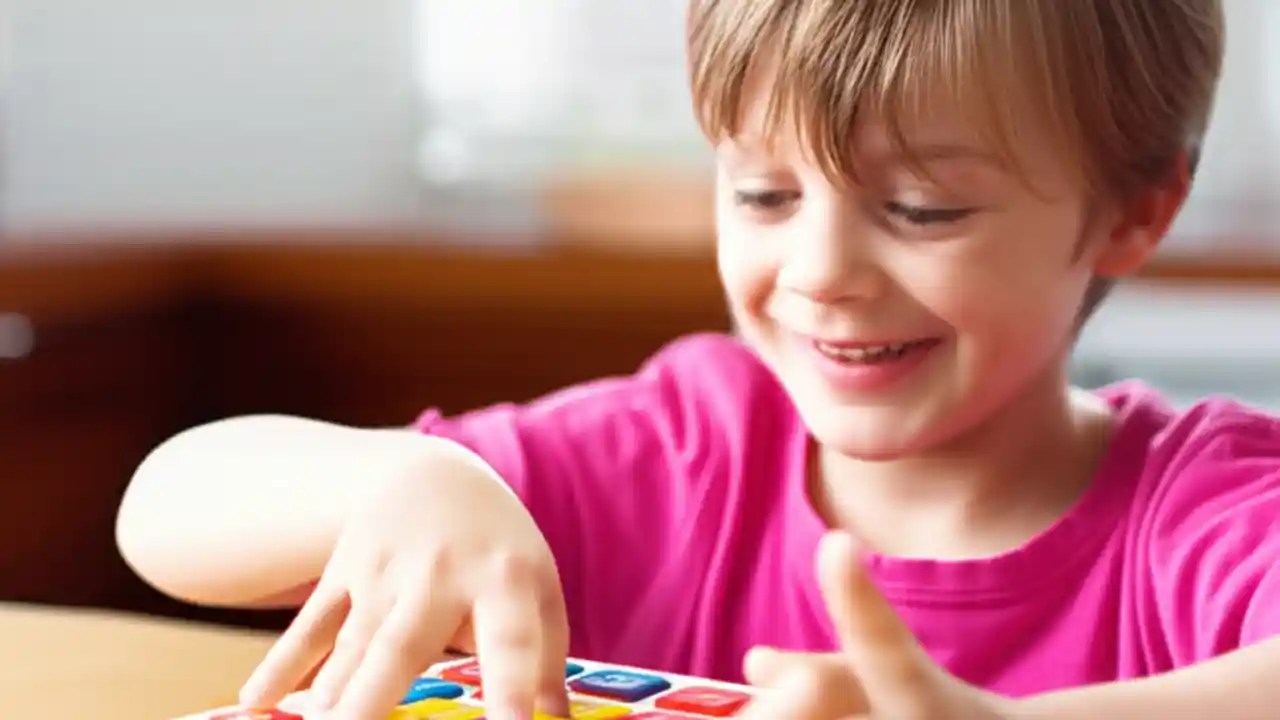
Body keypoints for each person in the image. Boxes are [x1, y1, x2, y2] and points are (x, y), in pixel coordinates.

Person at [115, 1, 1280, 718]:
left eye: (922, 210)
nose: (821, 269)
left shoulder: (1200, 511)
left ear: (1131, 212)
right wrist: (390, 482)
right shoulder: (675, 453)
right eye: (763, 193)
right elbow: (161, 512)